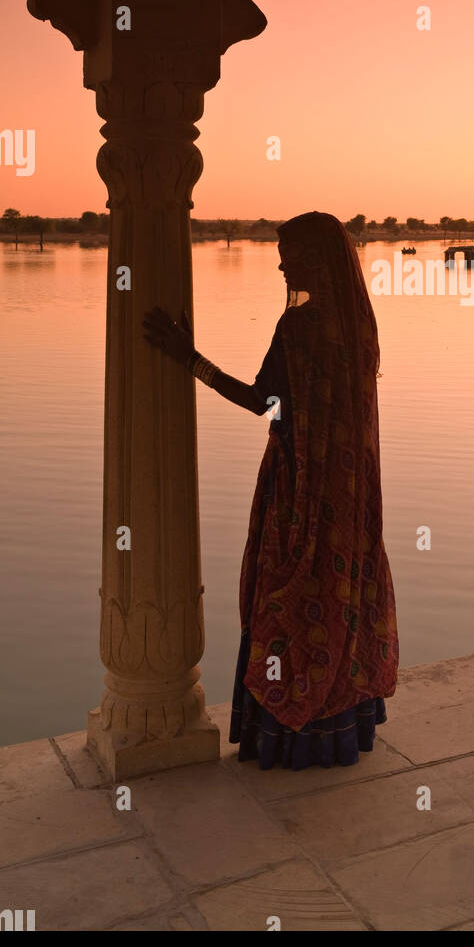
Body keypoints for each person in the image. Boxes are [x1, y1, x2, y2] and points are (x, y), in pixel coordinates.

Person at [142, 211, 399, 770]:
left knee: (285, 598)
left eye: (288, 253)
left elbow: (265, 402)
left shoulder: (300, 327)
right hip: (350, 495)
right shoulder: (359, 324)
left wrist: (189, 359)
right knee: (338, 594)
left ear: (312, 258)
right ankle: (339, 728)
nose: (281, 263)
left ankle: (285, 735)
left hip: (299, 488)